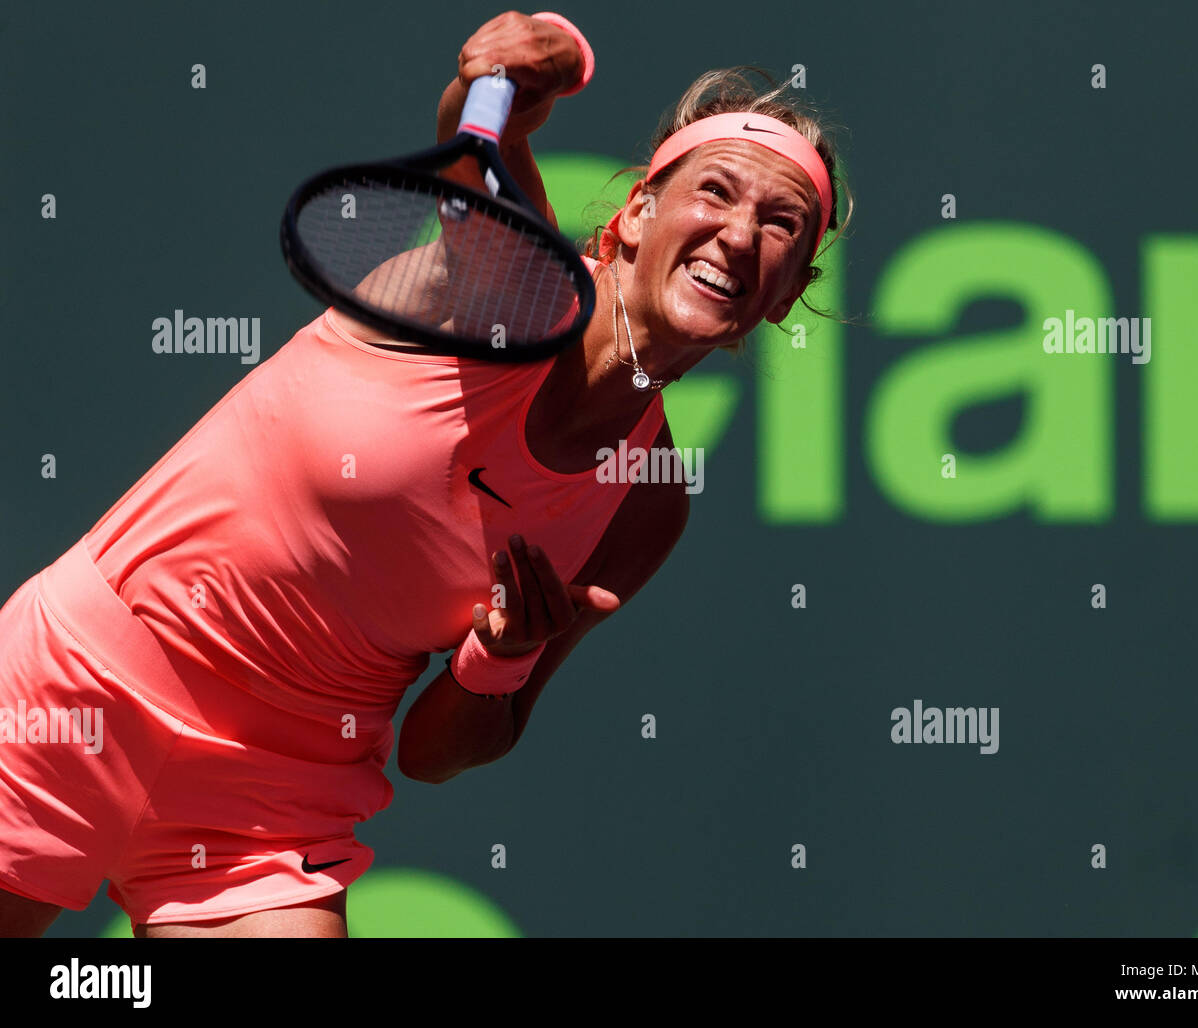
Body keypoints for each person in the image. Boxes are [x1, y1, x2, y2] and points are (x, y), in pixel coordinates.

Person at [0, 11, 850, 938]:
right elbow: (474, 137)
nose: (738, 234)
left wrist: (501, 658)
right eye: (715, 193)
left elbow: (436, 753)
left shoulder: (646, 506)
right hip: (85, 681)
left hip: (277, 803)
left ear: (790, 291)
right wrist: (540, 60)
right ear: (638, 212)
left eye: (782, 225)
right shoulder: (507, 286)